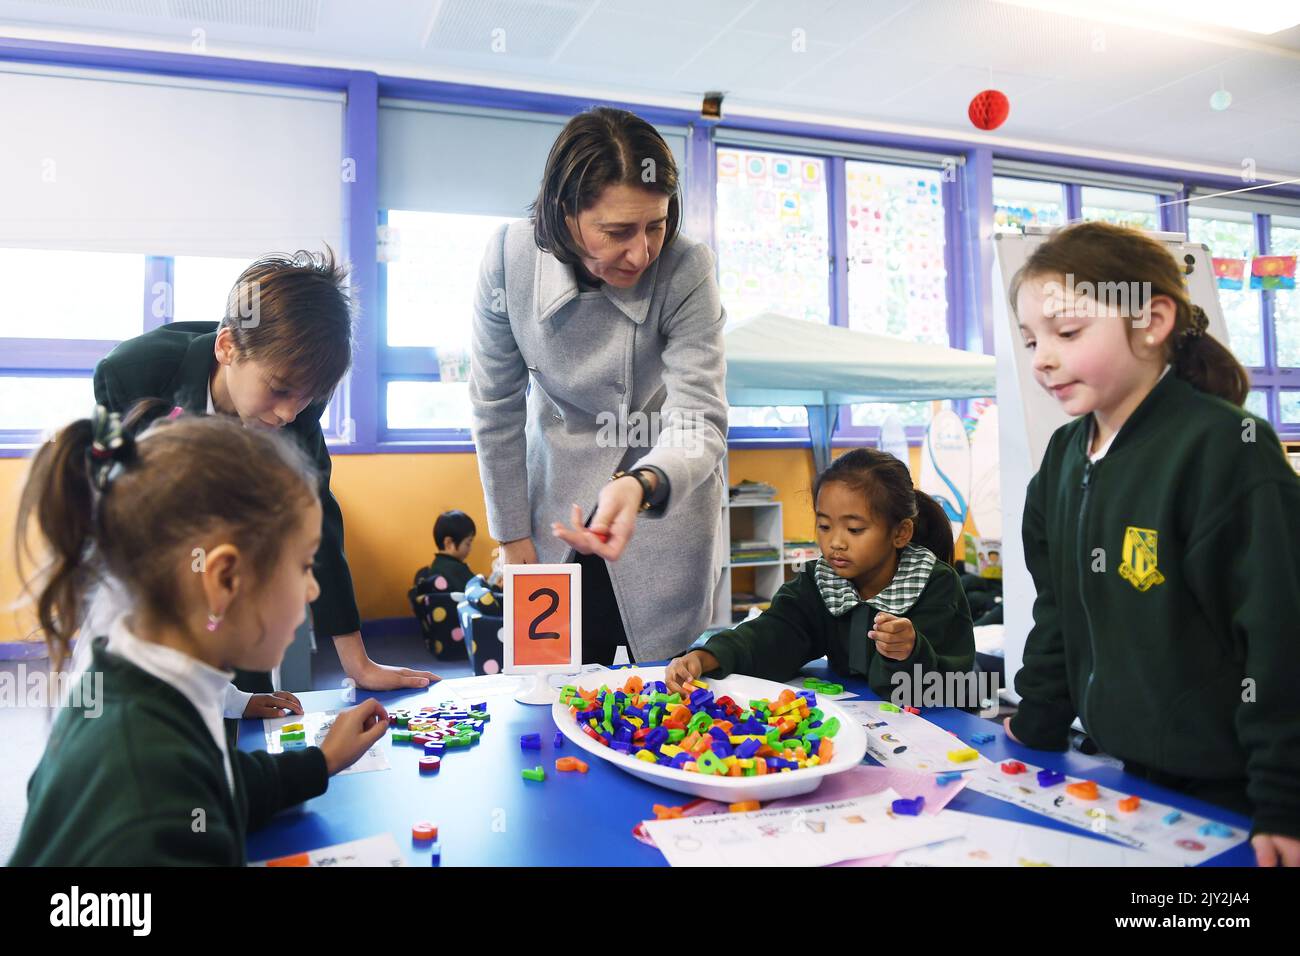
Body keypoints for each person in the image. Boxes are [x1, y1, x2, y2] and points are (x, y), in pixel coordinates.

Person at [1005, 221, 1300, 867]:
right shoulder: (1063, 455)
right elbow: (1060, 605)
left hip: (1237, 789)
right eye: (1031, 340)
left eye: (1067, 332)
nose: (1041, 359)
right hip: (1127, 771)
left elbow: (1280, 635)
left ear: (1153, 320)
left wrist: (1284, 799)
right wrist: (1040, 715)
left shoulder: (1224, 450)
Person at [11, 406, 388, 865]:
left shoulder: (143, 682)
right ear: (224, 580)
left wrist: (320, 762)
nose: (313, 589)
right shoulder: (146, 790)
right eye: (304, 566)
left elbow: (214, 782)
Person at [470, 107, 727, 665]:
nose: (641, 252)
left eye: (656, 225)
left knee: (661, 712)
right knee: (546, 701)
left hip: (660, 513)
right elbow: (495, 410)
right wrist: (513, 540)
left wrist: (642, 483)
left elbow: (698, 420)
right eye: (616, 232)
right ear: (564, 214)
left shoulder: (688, 268)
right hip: (553, 515)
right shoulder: (509, 260)